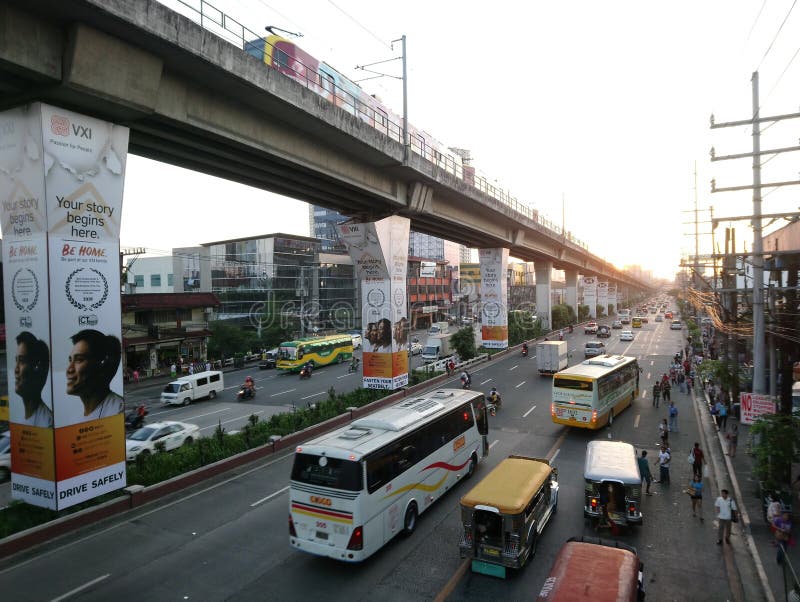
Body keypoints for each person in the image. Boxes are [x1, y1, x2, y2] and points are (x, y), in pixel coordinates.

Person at [66, 329, 123, 422]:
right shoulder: (76, 420)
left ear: (102, 364)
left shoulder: (118, 411)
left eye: (79, 360)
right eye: (70, 360)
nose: (69, 369)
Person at [14, 331, 53, 428]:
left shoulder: (47, 423)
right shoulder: (19, 419)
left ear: (36, 368)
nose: (16, 369)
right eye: (16, 360)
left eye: (22, 361)